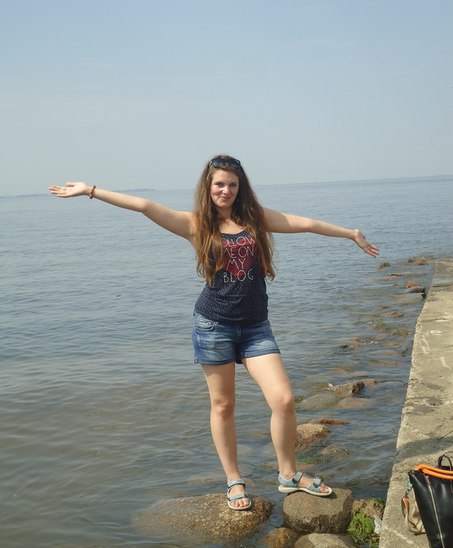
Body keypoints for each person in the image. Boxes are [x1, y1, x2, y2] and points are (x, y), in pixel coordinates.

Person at [49, 155, 379, 511]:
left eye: (232, 184)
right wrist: (90, 190)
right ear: (208, 187)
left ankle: (288, 474)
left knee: (283, 399)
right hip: (213, 326)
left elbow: (307, 224)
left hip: (255, 327)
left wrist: (350, 234)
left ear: (240, 187)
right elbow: (144, 205)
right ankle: (234, 480)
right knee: (223, 406)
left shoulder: (255, 219)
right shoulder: (195, 224)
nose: (226, 190)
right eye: (219, 184)